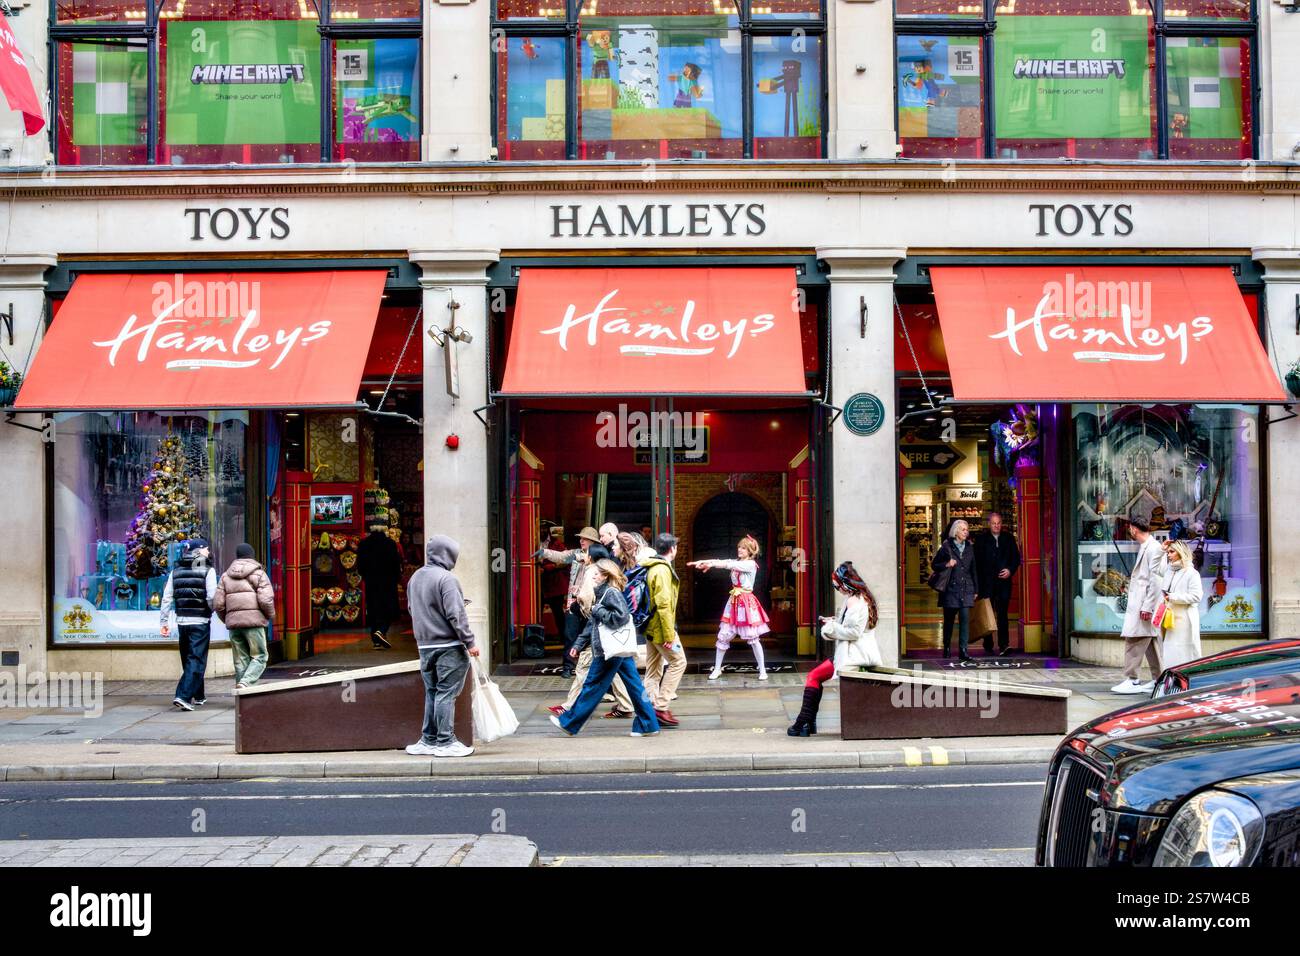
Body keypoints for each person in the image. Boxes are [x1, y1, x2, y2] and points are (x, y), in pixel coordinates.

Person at [550, 559, 661, 739]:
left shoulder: (610, 593)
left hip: (609, 650)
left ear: (606, 576)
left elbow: (621, 617)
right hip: (617, 649)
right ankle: (648, 724)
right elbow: (594, 624)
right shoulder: (603, 593)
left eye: (598, 572)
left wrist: (597, 609)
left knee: (592, 686)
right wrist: (578, 644)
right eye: (594, 572)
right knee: (634, 686)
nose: (594, 575)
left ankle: (569, 723)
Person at [405, 535, 480, 757]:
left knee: (432, 692)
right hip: (449, 646)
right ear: (447, 555)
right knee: (446, 693)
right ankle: (445, 741)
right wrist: (470, 642)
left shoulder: (415, 577)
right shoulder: (447, 579)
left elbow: (412, 609)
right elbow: (456, 614)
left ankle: (428, 740)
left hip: (425, 646)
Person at [789, 561, 881, 737]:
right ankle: (806, 723)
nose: (836, 589)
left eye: (836, 585)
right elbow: (852, 626)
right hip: (854, 652)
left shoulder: (855, 601)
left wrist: (830, 628)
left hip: (854, 655)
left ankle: (803, 722)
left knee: (813, 676)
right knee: (814, 676)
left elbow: (854, 632)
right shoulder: (860, 597)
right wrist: (834, 621)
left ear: (844, 583)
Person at [689, 534, 771, 681]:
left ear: (750, 551)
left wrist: (711, 563)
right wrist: (707, 562)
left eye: (744, 548)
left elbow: (728, 564)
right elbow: (726, 562)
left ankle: (763, 670)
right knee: (723, 635)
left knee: (753, 637)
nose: (740, 549)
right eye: (739, 547)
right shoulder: (738, 562)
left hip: (745, 602)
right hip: (734, 601)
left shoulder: (750, 564)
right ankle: (717, 668)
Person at [537, 525, 602, 678]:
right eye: (581, 538)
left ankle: (591, 668)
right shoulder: (576, 553)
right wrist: (545, 552)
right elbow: (561, 556)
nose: (581, 541)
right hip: (574, 603)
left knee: (590, 637)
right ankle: (567, 666)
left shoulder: (599, 557)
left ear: (592, 541)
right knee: (569, 635)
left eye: (584, 539)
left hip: (591, 604)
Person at [160, 537, 217, 711]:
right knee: (197, 659)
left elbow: (167, 598)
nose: (208, 552)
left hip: (182, 621)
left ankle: (198, 695)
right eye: (206, 549)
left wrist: (164, 621)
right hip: (200, 621)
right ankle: (183, 696)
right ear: (198, 551)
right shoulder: (208, 570)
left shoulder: (175, 572)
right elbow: (212, 597)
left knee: (188, 657)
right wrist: (212, 611)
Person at [1112, 518, 1167, 694]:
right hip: (1144, 601)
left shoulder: (1153, 549)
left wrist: (1147, 607)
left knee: (1134, 639)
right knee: (1149, 640)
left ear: (1134, 529)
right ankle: (1158, 678)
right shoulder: (1149, 547)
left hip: (1145, 602)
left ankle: (1132, 679)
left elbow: (1156, 580)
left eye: (1130, 528)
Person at [214, 543, 275, 689]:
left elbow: (218, 604)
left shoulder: (225, 576)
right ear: (252, 556)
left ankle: (242, 695)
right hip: (254, 623)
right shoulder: (259, 574)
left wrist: (228, 618)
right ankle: (245, 683)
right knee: (260, 656)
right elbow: (266, 599)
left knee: (240, 659)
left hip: (234, 625)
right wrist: (269, 616)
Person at [641, 532, 686, 727]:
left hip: (650, 627)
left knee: (653, 668)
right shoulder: (662, 570)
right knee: (679, 662)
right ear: (672, 549)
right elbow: (664, 604)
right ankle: (661, 706)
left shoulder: (651, 566)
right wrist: (669, 635)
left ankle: (647, 705)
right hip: (661, 629)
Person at [974, 511, 1022, 657]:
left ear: (1002, 524)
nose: (996, 526)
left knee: (1002, 615)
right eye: (994, 523)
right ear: (989, 524)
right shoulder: (981, 539)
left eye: (999, 523)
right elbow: (976, 563)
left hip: (1003, 584)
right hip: (986, 584)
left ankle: (1004, 645)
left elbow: (1016, 558)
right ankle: (988, 644)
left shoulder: (1008, 539)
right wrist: (977, 586)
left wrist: (1010, 570)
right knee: (987, 614)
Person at [932, 519, 978, 663]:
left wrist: (976, 589)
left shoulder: (970, 547)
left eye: (967, 529)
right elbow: (935, 565)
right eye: (963, 530)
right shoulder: (946, 547)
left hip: (966, 589)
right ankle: (946, 646)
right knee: (949, 621)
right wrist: (947, 564)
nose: (966, 532)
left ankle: (963, 650)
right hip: (951, 590)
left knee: (965, 620)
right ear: (956, 531)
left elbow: (973, 569)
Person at [357, 521, 402, 650]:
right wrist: (397, 578)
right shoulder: (390, 544)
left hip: (371, 582)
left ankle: (376, 639)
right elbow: (395, 563)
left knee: (373, 608)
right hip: (388, 582)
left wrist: (366, 576)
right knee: (387, 608)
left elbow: (360, 566)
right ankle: (381, 631)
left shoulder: (364, 544)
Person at [1160, 540, 1204, 671]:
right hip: (1169, 618)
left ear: (1181, 552)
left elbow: (1197, 596)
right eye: (1168, 552)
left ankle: (1188, 681)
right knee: (1170, 652)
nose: (1168, 555)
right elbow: (1154, 567)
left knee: (1184, 652)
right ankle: (1171, 681)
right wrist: (1161, 550)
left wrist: (1172, 597)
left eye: (1172, 552)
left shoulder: (1191, 573)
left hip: (1185, 618)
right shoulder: (1169, 570)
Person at [539, 525, 569, 640]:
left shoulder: (556, 543)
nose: (542, 530)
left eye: (544, 528)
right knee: (537, 613)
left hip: (554, 584)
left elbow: (566, 560)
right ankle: (537, 638)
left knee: (558, 613)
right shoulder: (532, 542)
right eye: (540, 528)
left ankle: (565, 638)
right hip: (538, 585)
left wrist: (548, 567)